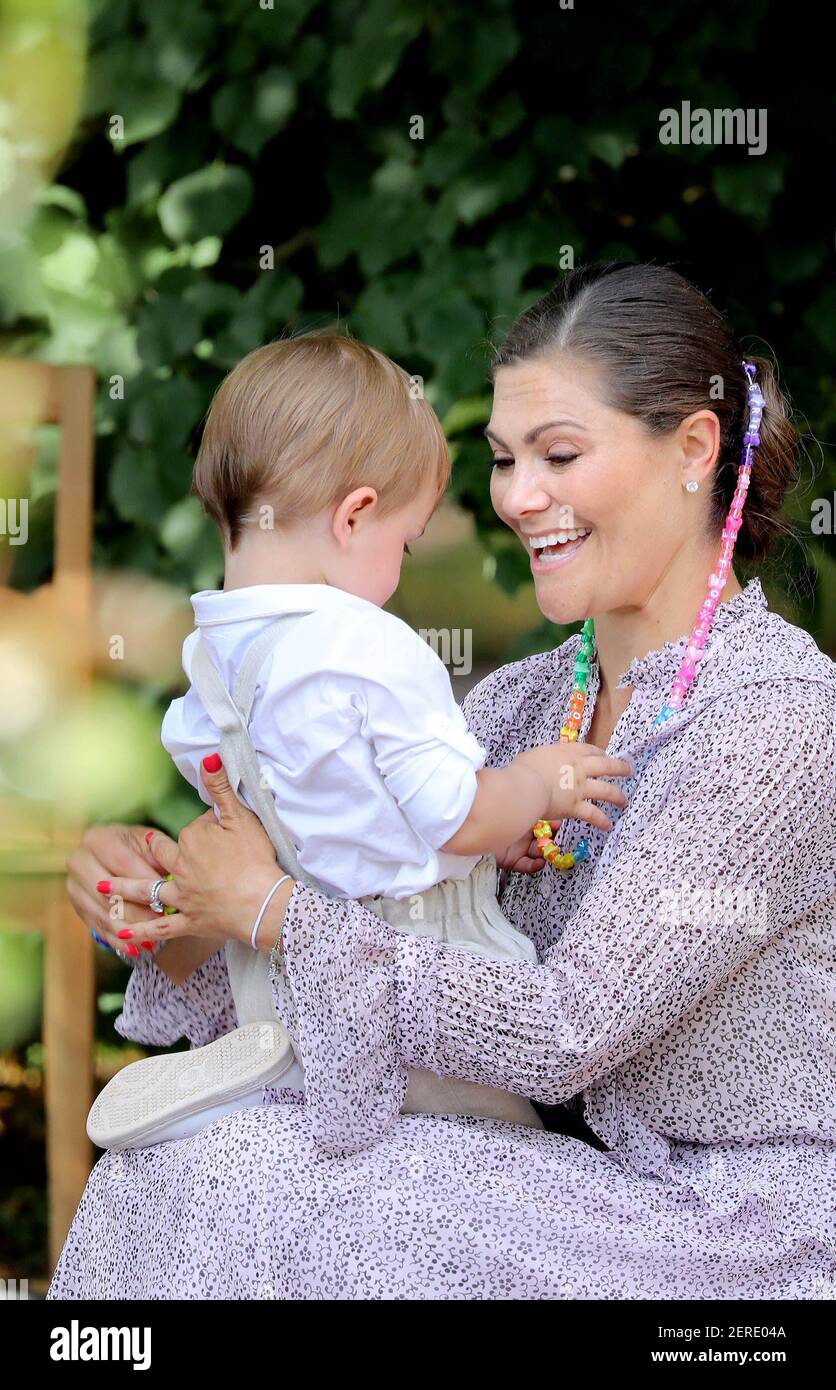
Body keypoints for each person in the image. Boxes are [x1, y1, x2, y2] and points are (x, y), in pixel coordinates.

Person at [49, 263, 836, 1299]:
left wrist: (277, 911)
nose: (515, 496)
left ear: (691, 448)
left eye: (557, 454)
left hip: (721, 1225)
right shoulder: (517, 703)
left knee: (250, 1180)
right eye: (504, 459)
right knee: (181, 1163)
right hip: (544, 1172)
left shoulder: (772, 716)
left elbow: (563, 1033)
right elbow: (363, 929)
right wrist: (181, 906)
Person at [86, 335, 631, 1149]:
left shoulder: (210, 665)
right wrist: (534, 786)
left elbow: (322, 825)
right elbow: (452, 816)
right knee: (503, 1145)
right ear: (355, 516)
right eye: (405, 543)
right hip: (422, 995)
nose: (403, 570)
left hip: (293, 1008)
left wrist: (487, 840)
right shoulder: (367, 647)